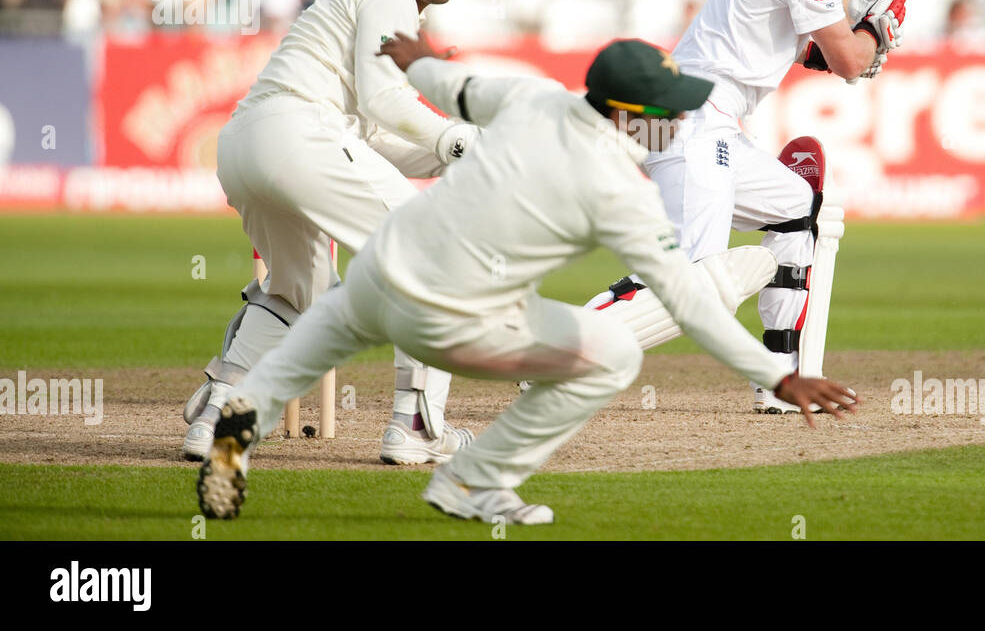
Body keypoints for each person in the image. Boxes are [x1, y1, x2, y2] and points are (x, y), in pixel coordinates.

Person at [197, 36, 858, 525]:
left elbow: (456, 87)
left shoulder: (536, 96)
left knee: (310, 343)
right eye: (668, 110)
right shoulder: (613, 190)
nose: (677, 122)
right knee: (615, 353)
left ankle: (239, 422)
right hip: (452, 315)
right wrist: (775, 373)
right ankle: (472, 480)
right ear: (629, 113)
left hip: (383, 263)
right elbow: (687, 297)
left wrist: (411, 57)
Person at [181, 0, 482, 466]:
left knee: (299, 295)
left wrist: (449, 156)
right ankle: (416, 426)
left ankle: (221, 414)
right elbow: (386, 100)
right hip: (301, 135)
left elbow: (368, 134)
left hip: (248, 145)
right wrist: (461, 140)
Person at [638, 0, 907, 413]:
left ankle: (779, 378)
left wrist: (863, 37)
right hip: (690, 115)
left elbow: (812, 51)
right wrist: (879, 30)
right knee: (692, 285)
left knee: (795, 208)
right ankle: (561, 358)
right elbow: (848, 61)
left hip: (712, 119)